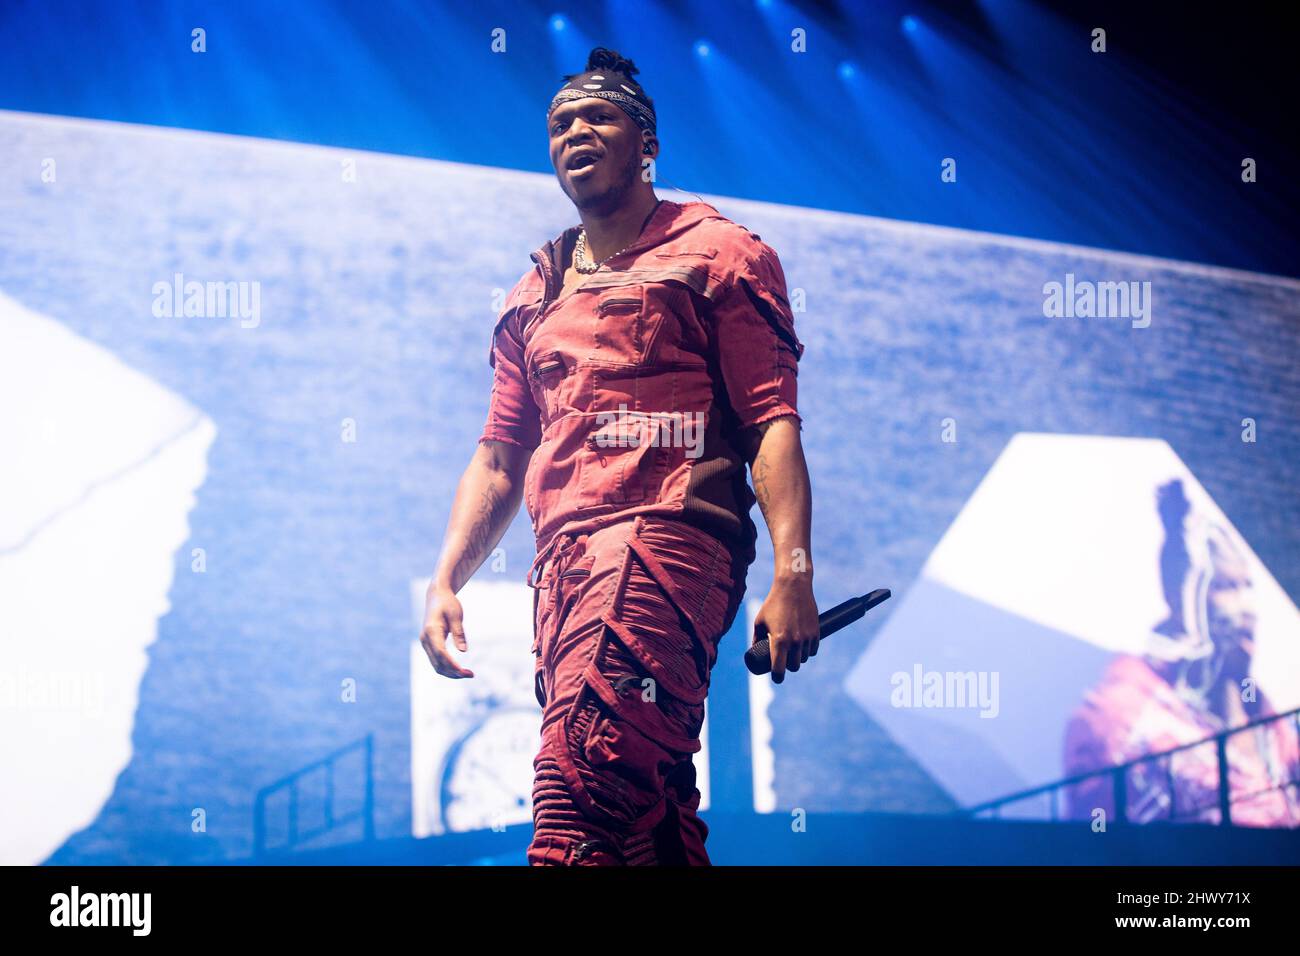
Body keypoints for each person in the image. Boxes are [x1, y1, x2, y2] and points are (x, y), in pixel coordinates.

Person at [418, 47, 820, 864]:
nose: (575, 132)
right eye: (560, 123)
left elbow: (772, 421)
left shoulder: (719, 253)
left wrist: (794, 575)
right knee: (648, 823)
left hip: (666, 539)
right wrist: (446, 580)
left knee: (581, 787)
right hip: (563, 566)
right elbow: (499, 457)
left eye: (598, 117)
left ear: (647, 145)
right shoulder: (533, 293)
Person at [1064, 480, 1300, 827]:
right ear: (1180, 600)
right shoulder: (1124, 720)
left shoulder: (1271, 726)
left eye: (1247, 586)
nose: (1245, 607)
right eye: (1226, 587)